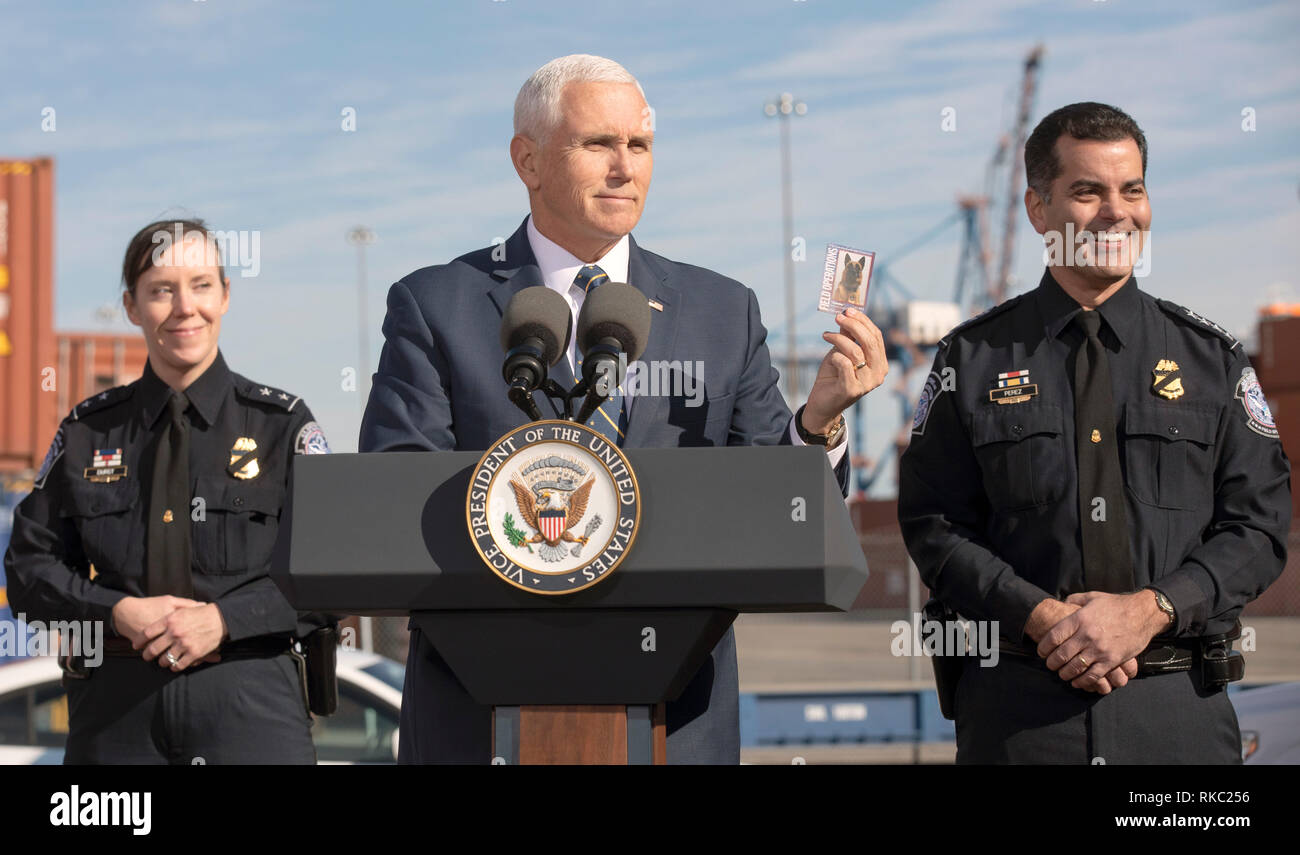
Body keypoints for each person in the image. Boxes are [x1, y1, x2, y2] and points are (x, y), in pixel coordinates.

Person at [359, 54, 888, 764]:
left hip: (676, 718)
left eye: (639, 145)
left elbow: (783, 514)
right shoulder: (436, 304)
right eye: (598, 144)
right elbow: (399, 497)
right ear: (528, 160)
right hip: (479, 712)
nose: (625, 167)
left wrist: (817, 421)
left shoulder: (722, 311)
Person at [898, 102, 1291, 764]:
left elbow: (1260, 524)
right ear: (1037, 209)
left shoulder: (1212, 359)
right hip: (1019, 721)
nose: (1117, 211)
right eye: (1088, 191)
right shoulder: (972, 358)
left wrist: (1153, 608)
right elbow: (933, 522)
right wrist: (1041, 616)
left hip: (1178, 716)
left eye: (1131, 189)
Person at [4, 219, 334, 764]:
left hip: (250, 709)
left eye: (201, 285)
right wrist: (115, 612)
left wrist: (225, 620)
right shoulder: (88, 432)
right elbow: (27, 570)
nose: (185, 307)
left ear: (225, 296)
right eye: (161, 289)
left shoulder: (283, 425)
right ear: (133, 307)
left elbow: (329, 573)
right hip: (115, 719)